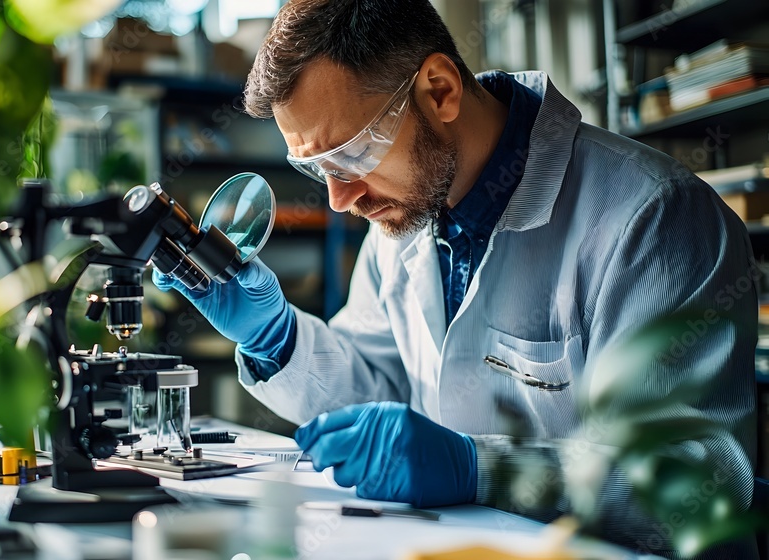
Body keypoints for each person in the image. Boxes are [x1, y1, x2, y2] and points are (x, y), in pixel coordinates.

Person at [153, 0, 757, 557]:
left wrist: (480, 468)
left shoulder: (649, 216)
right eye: (314, 168)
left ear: (438, 90)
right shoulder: (403, 217)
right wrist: (275, 338)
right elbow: (374, 403)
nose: (338, 199)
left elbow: (698, 480)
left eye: (351, 154)